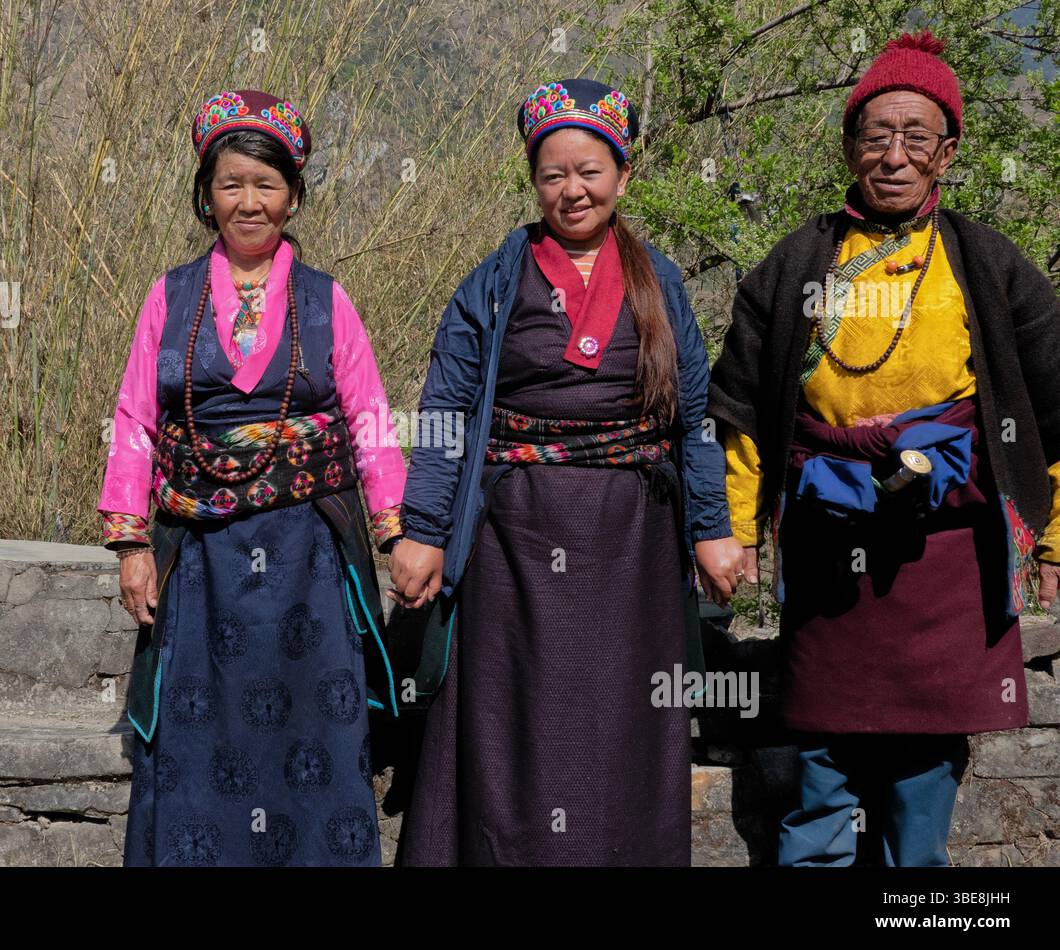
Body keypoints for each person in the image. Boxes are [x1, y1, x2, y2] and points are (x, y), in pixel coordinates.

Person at [708, 32, 1060, 866]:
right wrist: (736, 528)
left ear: (948, 152)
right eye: (876, 136)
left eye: (915, 137)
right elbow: (747, 411)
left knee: (924, 771)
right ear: (848, 147)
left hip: (946, 552)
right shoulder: (799, 260)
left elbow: (1051, 415)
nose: (893, 157)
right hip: (829, 550)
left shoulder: (989, 265)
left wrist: (1055, 542)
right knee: (820, 768)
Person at [390, 78, 744, 866]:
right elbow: (446, 406)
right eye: (554, 175)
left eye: (589, 171)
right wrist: (423, 529)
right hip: (517, 534)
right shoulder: (495, 278)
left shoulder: (663, 283)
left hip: (632, 540)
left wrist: (713, 530)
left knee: (618, 723)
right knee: (515, 718)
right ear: (533, 181)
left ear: (622, 176)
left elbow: (693, 415)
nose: (572, 190)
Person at [98, 89, 408, 866]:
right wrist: (131, 544)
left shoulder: (327, 300)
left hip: (308, 556)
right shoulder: (168, 299)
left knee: (313, 739)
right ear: (207, 195)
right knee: (200, 741)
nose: (249, 202)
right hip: (199, 561)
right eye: (232, 184)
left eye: (266, 186)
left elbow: (368, 418)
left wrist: (398, 529)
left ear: (294, 195)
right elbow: (136, 419)